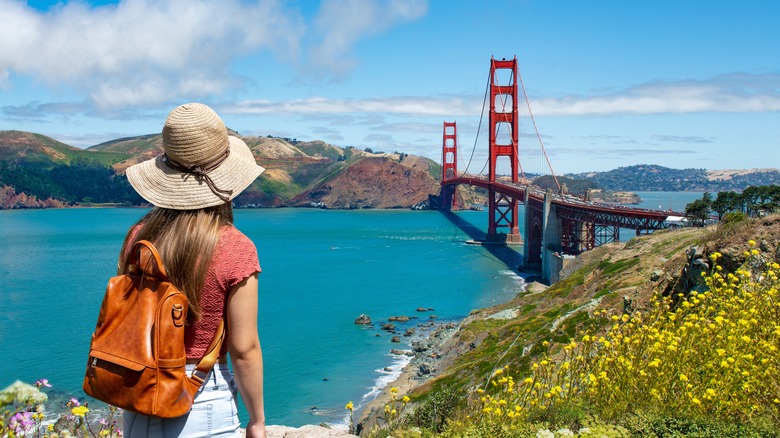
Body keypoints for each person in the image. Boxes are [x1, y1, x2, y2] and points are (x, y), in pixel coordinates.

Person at [119, 103, 267, 437]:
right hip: (201, 396)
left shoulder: (139, 237)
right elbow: (244, 349)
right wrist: (257, 420)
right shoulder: (235, 247)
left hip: (137, 396)